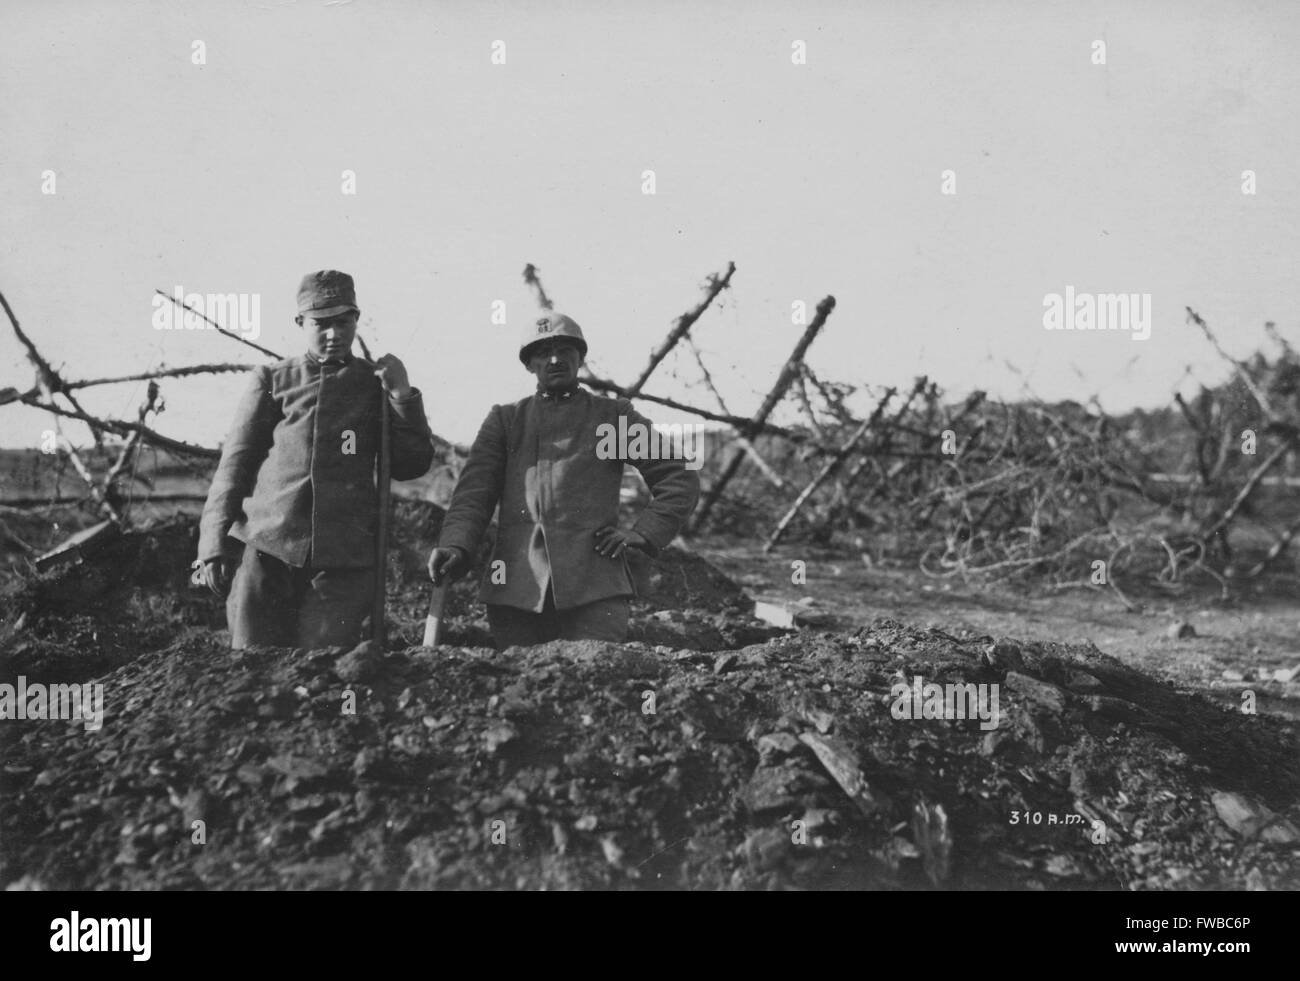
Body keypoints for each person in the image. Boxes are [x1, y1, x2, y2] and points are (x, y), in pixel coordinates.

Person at [428, 312, 699, 648]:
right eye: (542, 352)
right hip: (517, 590)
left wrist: (642, 534)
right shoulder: (507, 421)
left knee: (599, 686)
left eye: (565, 350)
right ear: (529, 364)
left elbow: (678, 475)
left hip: (595, 591)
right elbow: (473, 495)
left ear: (581, 357)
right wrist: (455, 544)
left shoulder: (610, 419)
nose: (555, 359)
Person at [194, 270, 434, 648]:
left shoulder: (375, 385)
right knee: (251, 660)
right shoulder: (272, 380)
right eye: (321, 324)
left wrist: (402, 395)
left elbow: (411, 464)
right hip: (268, 547)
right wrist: (212, 545)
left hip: (344, 559)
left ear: (357, 320)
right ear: (300, 322)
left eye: (343, 322)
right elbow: (234, 466)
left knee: (323, 663)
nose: (333, 334)